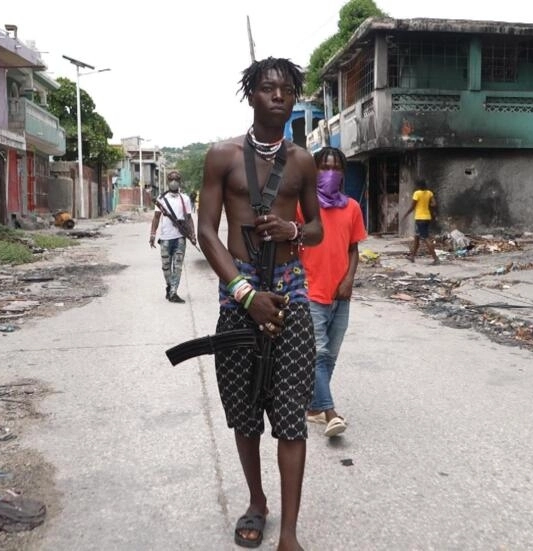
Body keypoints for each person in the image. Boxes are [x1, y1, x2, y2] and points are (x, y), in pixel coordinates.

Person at [197, 57, 322, 550]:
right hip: (240, 289)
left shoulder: (303, 161)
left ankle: (288, 533)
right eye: (268, 88)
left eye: (286, 90)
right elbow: (207, 231)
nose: (278, 96)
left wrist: (292, 229)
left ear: (294, 98)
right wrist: (245, 295)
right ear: (251, 95)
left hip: (289, 288)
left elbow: (316, 227)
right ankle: (256, 502)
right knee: (245, 413)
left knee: (291, 415)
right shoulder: (222, 156)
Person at [300, 146, 366, 438]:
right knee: (318, 352)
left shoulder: (351, 207)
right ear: (314, 171)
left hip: (341, 292)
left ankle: (313, 407)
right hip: (311, 289)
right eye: (324, 167)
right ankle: (330, 412)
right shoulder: (303, 206)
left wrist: (349, 279)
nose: (330, 173)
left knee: (331, 354)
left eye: (336, 168)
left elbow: (354, 249)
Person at [149, 171, 194, 303]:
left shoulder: (185, 198)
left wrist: (193, 234)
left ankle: (173, 292)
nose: (174, 181)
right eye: (171, 179)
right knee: (166, 267)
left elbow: (189, 218)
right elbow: (156, 218)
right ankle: (170, 286)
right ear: (168, 181)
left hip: (180, 237)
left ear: (179, 182)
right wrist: (152, 234)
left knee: (178, 267)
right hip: (165, 238)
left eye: (176, 179)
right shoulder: (161, 199)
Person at [402, 178, 439, 264]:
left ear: (418, 185)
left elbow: (412, 206)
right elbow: (434, 204)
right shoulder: (429, 193)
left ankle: (436, 258)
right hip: (427, 217)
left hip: (419, 218)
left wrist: (406, 214)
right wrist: (428, 204)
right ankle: (412, 256)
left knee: (425, 238)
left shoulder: (417, 193)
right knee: (416, 238)